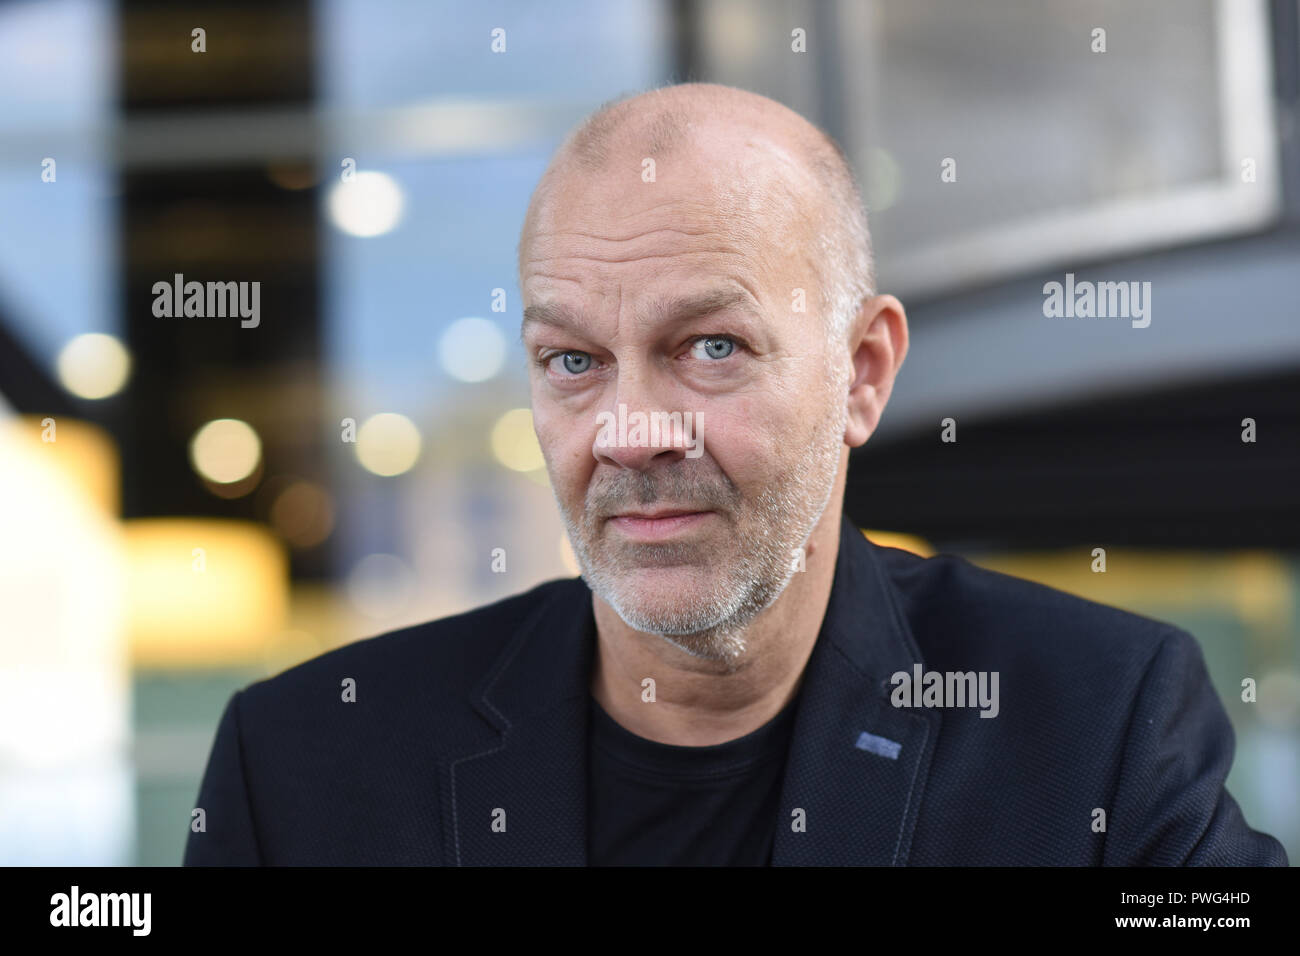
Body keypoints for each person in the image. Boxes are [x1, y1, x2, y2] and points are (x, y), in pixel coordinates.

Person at [184, 82, 1286, 866]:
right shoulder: (305, 767)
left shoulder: (1091, 726)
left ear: (860, 373)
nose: (631, 431)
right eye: (573, 360)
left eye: (709, 347)